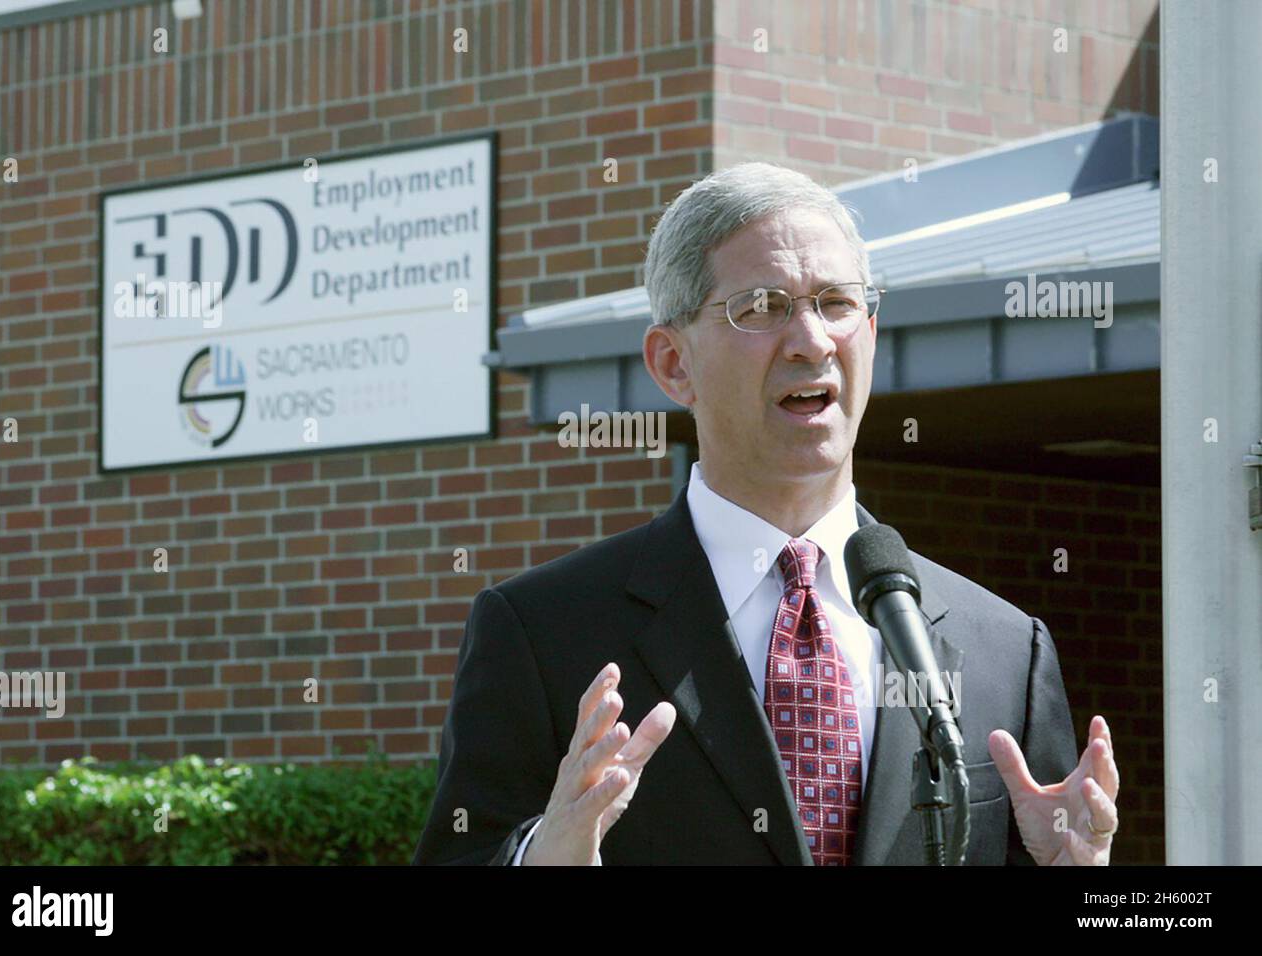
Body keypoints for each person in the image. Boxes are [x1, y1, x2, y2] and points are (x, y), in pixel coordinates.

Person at [412, 162, 1120, 866]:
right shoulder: (542, 633)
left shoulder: (1004, 647)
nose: (811, 340)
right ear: (672, 363)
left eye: (837, 303)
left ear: (870, 330)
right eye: (762, 307)